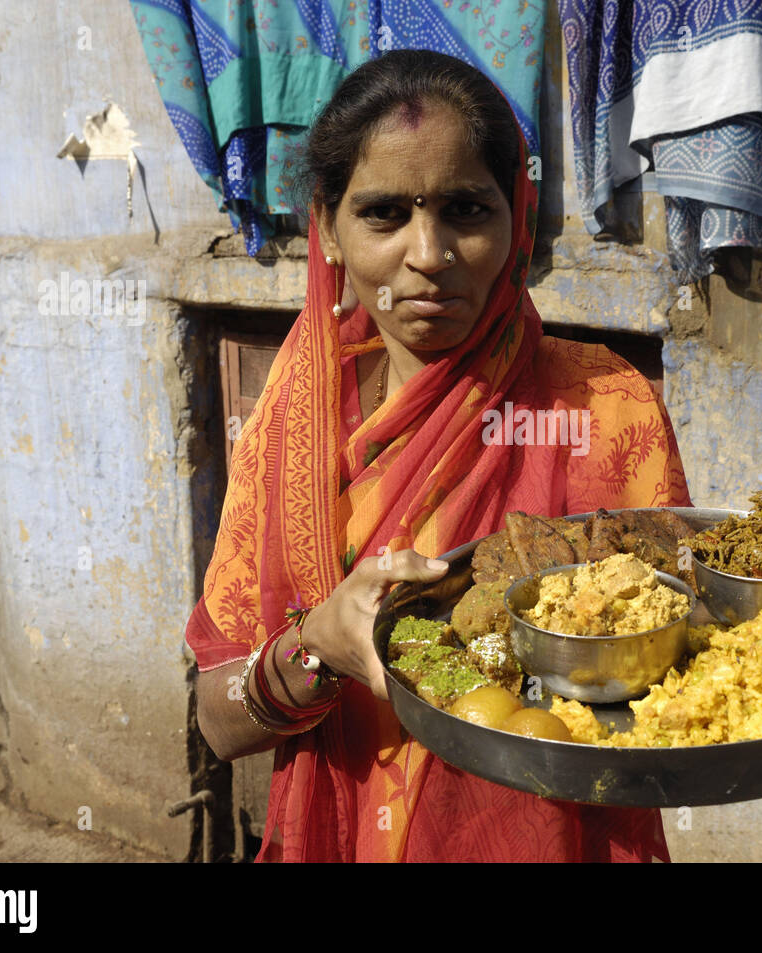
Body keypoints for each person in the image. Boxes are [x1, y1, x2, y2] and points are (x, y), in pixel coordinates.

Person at [186, 48, 693, 862]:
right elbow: (219, 718)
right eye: (385, 213)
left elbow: (676, 682)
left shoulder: (604, 405)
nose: (428, 253)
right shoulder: (294, 422)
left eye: (466, 209)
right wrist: (319, 645)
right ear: (328, 230)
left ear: (517, 218)